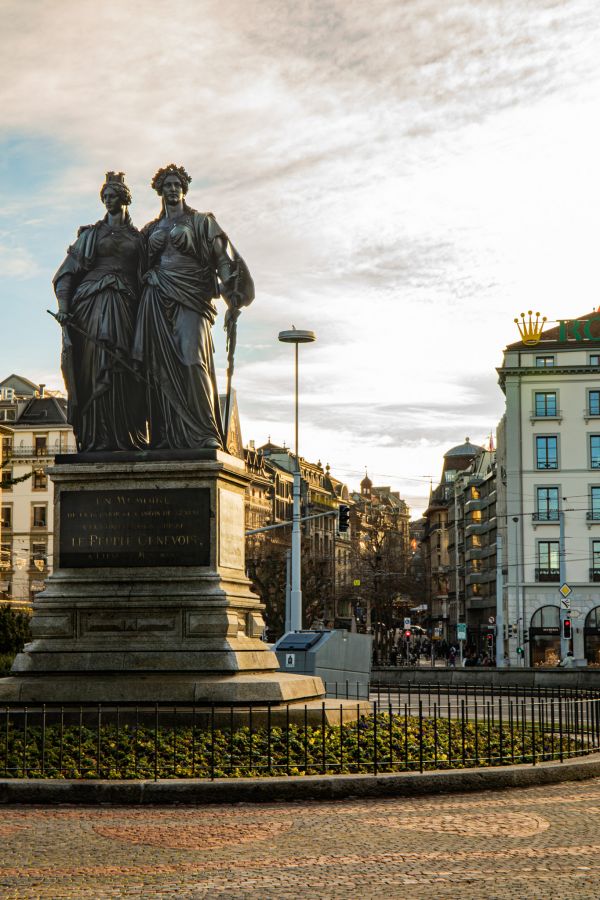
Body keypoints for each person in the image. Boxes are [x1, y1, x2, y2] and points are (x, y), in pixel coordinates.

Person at [132, 163, 254, 449]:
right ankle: (164, 435)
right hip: (155, 296)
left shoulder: (202, 221)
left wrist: (231, 294)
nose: (172, 189)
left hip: (191, 296)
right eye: (167, 185)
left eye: (176, 185)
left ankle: (204, 432)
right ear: (159, 191)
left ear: (184, 189)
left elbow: (223, 259)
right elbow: (135, 267)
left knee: (192, 360)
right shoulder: (150, 229)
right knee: (158, 367)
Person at [53, 172, 146, 451]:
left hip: (128, 306)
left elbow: (150, 276)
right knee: (95, 367)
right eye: (104, 196)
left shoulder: (140, 238)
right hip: (91, 307)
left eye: (113, 195)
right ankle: (96, 436)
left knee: (124, 366)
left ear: (125, 198)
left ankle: (125, 433)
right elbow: (66, 274)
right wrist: (64, 309)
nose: (108, 200)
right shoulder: (91, 235)